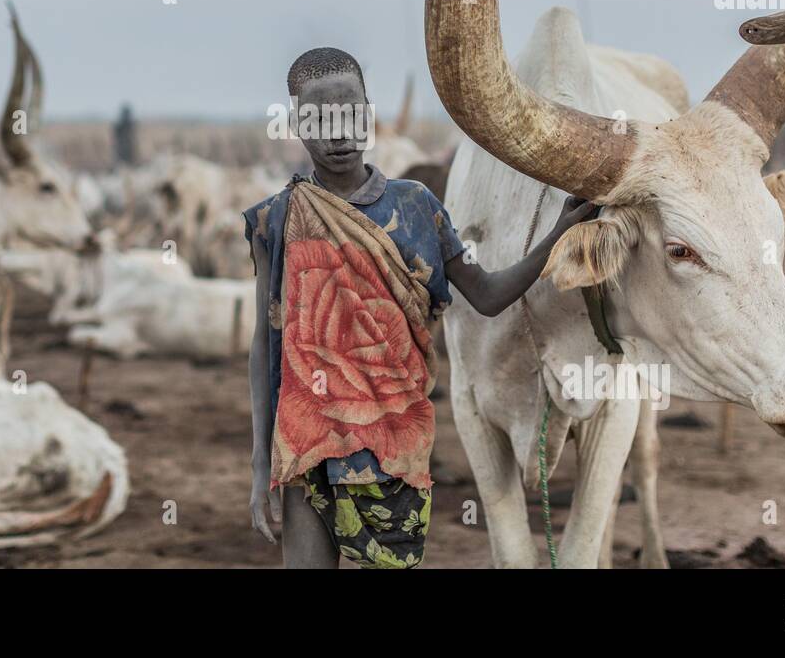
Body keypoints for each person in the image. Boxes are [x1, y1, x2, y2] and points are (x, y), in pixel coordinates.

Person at [243, 47, 595, 568]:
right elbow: (264, 343)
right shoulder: (276, 219)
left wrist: (560, 230)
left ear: (369, 115)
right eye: (320, 120)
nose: (339, 134)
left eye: (351, 115)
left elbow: (489, 294)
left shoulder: (416, 206)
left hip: (394, 444)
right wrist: (258, 467)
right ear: (297, 125)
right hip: (307, 446)